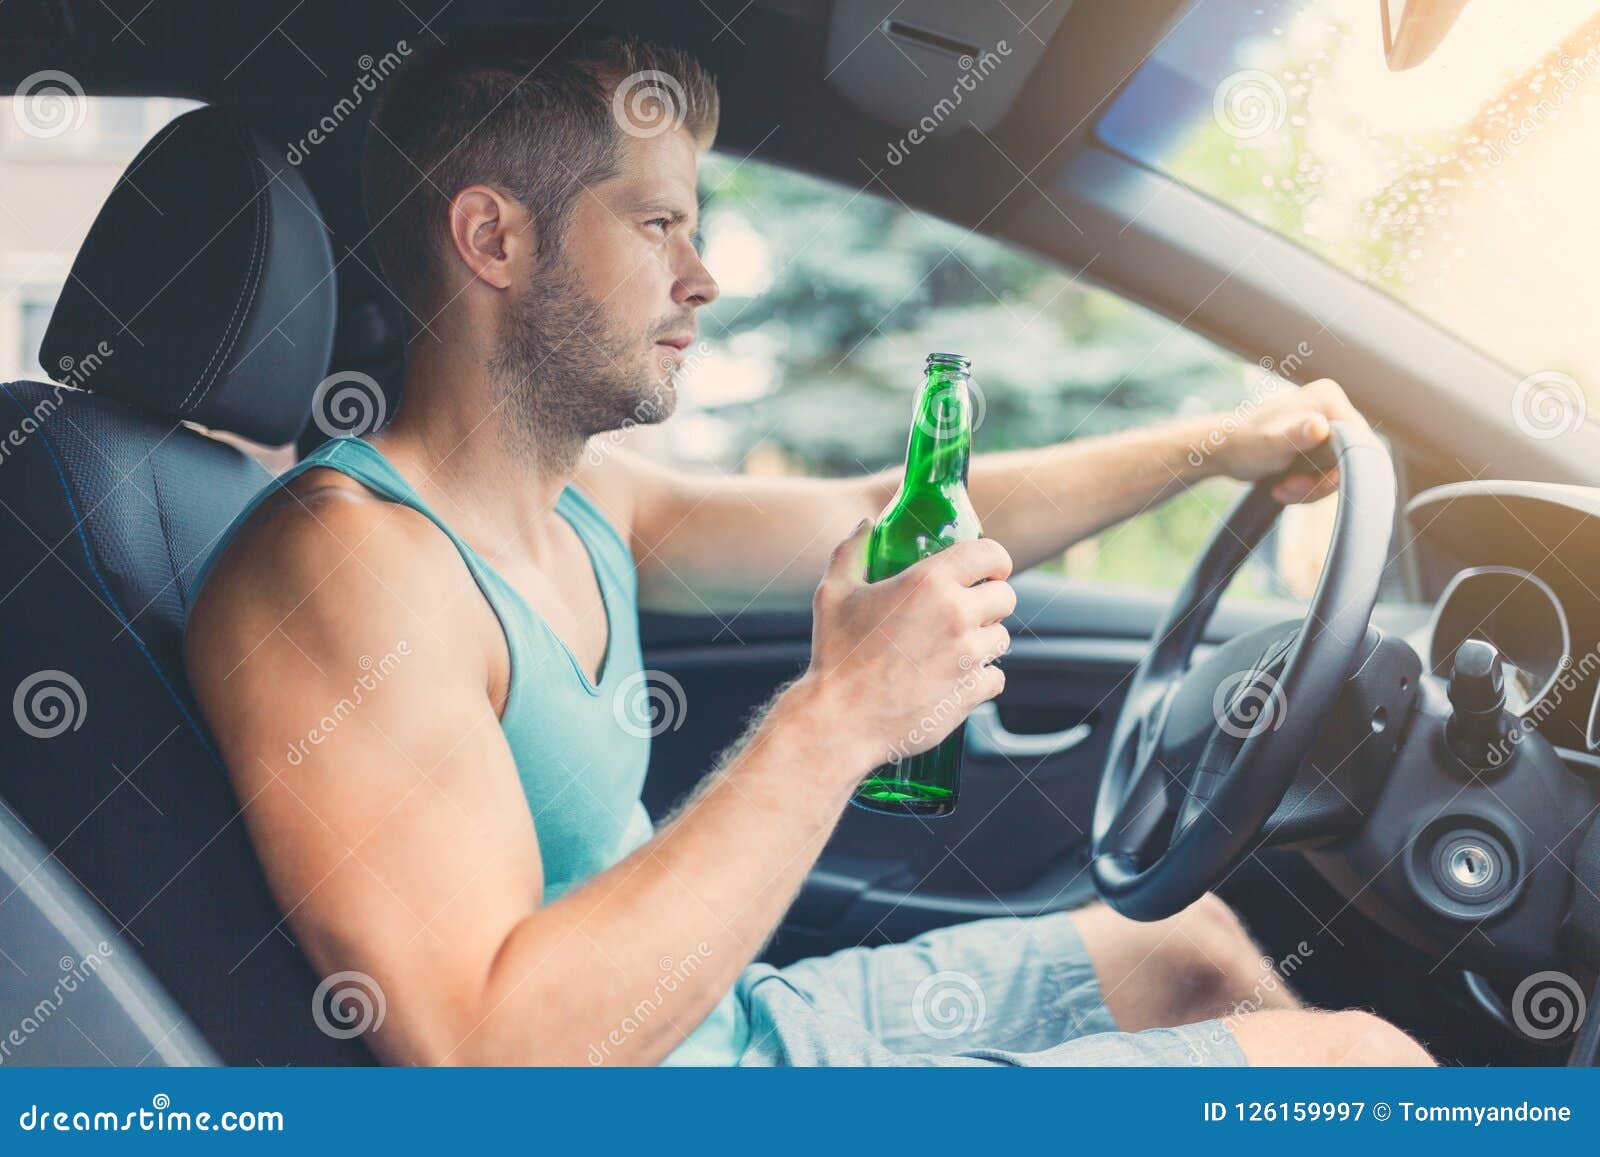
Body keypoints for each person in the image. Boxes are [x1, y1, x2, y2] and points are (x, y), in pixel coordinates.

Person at [184, 25, 1431, 1068]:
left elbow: (889, 508)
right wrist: (842, 712)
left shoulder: (583, 502)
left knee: (1187, 948)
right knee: (1357, 1065)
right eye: (658, 223)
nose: (702, 276)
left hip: (733, 1035)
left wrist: (1217, 447)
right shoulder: (344, 566)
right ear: (494, 238)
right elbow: (488, 1055)